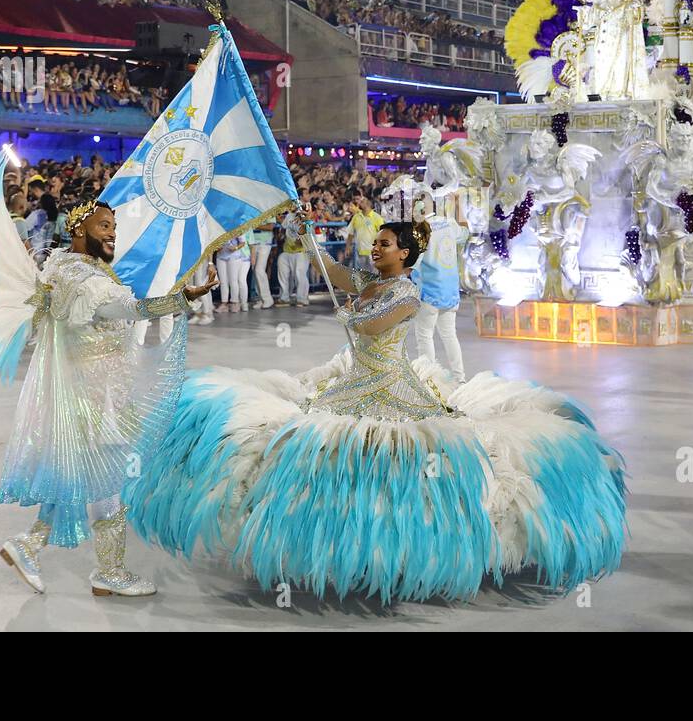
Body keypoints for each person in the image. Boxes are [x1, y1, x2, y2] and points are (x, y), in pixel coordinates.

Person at [124, 209, 627, 603]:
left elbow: (370, 326)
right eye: (376, 241)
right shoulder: (374, 282)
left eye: (384, 243)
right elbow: (340, 275)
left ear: (404, 253)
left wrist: (350, 313)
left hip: (389, 385)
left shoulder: (407, 291)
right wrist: (309, 238)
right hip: (355, 380)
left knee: (389, 450)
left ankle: (398, 546)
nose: (375, 247)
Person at [0, 154, 220, 598]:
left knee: (84, 476)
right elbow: (123, 309)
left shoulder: (64, 269)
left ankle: (32, 545)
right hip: (99, 400)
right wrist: (178, 299)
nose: (112, 234)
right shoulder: (84, 280)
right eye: (103, 227)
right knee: (107, 482)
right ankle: (104, 570)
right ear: (79, 231)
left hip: (90, 393)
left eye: (114, 227)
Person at [412, 193, 468, 383]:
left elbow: (413, 263)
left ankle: (430, 380)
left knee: (424, 336)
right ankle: (460, 379)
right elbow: (466, 232)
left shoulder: (420, 230)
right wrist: (459, 204)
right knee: (449, 335)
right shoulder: (449, 223)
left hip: (429, 291)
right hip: (450, 291)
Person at [275, 211, 311, 306]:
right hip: (286, 251)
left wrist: (306, 220)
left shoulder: (306, 219)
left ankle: (302, 299)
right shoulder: (289, 216)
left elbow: (307, 236)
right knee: (283, 274)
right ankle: (284, 298)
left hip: (301, 252)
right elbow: (283, 227)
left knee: (300, 276)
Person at [342, 192, 384, 271]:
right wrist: (347, 247)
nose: (360, 202)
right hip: (359, 253)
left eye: (363, 201)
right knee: (362, 277)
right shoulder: (356, 217)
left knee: (373, 277)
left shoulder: (377, 218)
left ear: (368, 203)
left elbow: (382, 235)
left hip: (373, 253)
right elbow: (351, 233)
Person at [216, 233, 251, 312]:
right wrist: (217, 248)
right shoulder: (218, 228)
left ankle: (235, 302)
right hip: (220, 257)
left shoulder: (236, 227)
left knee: (233, 281)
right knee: (223, 282)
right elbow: (214, 243)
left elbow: (243, 242)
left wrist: (235, 248)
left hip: (234, 257)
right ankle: (224, 303)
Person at [248, 217, 276, 309]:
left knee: (259, 270)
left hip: (265, 243)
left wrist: (254, 225)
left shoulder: (268, 209)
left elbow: (270, 227)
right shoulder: (251, 210)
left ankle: (268, 299)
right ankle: (261, 299)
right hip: (252, 243)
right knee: (255, 272)